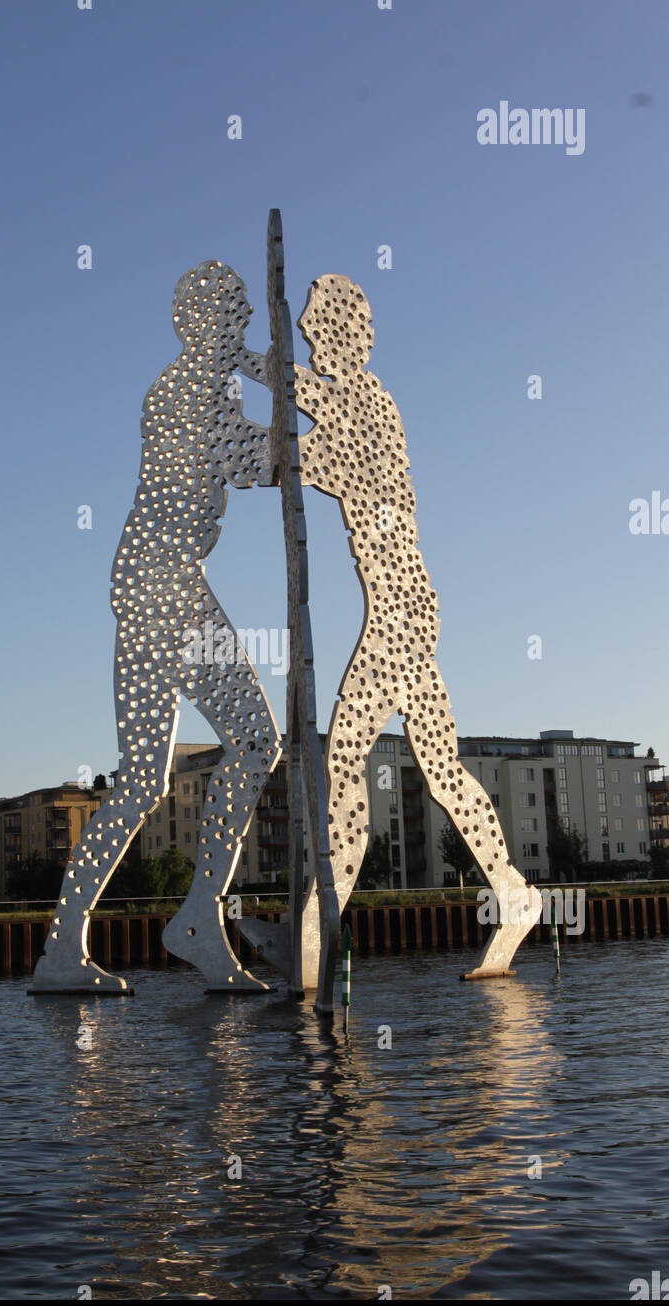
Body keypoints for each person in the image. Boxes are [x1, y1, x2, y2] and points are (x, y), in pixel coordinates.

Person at [31, 262, 281, 993]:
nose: (241, 325)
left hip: (153, 581)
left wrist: (269, 373)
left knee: (143, 779)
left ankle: (64, 950)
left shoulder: (200, 383)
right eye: (231, 314)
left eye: (243, 315)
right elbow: (257, 462)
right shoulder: (188, 389)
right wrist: (298, 396)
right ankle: (197, 917)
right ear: (198, 323)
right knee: (255, 741)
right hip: (164, 585)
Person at [291, 274, 541, 977]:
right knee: (439, 768)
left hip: (398, 612)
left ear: (346, 333)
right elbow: (309, 402)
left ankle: (313, 934)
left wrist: (256, 438)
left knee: (346, 764)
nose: (306, 335)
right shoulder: (353, 397)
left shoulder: (370, 402)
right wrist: (258, 366)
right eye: (302, 328)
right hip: (405, 608)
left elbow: (320, 457)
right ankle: (514, 893)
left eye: (316, 326)